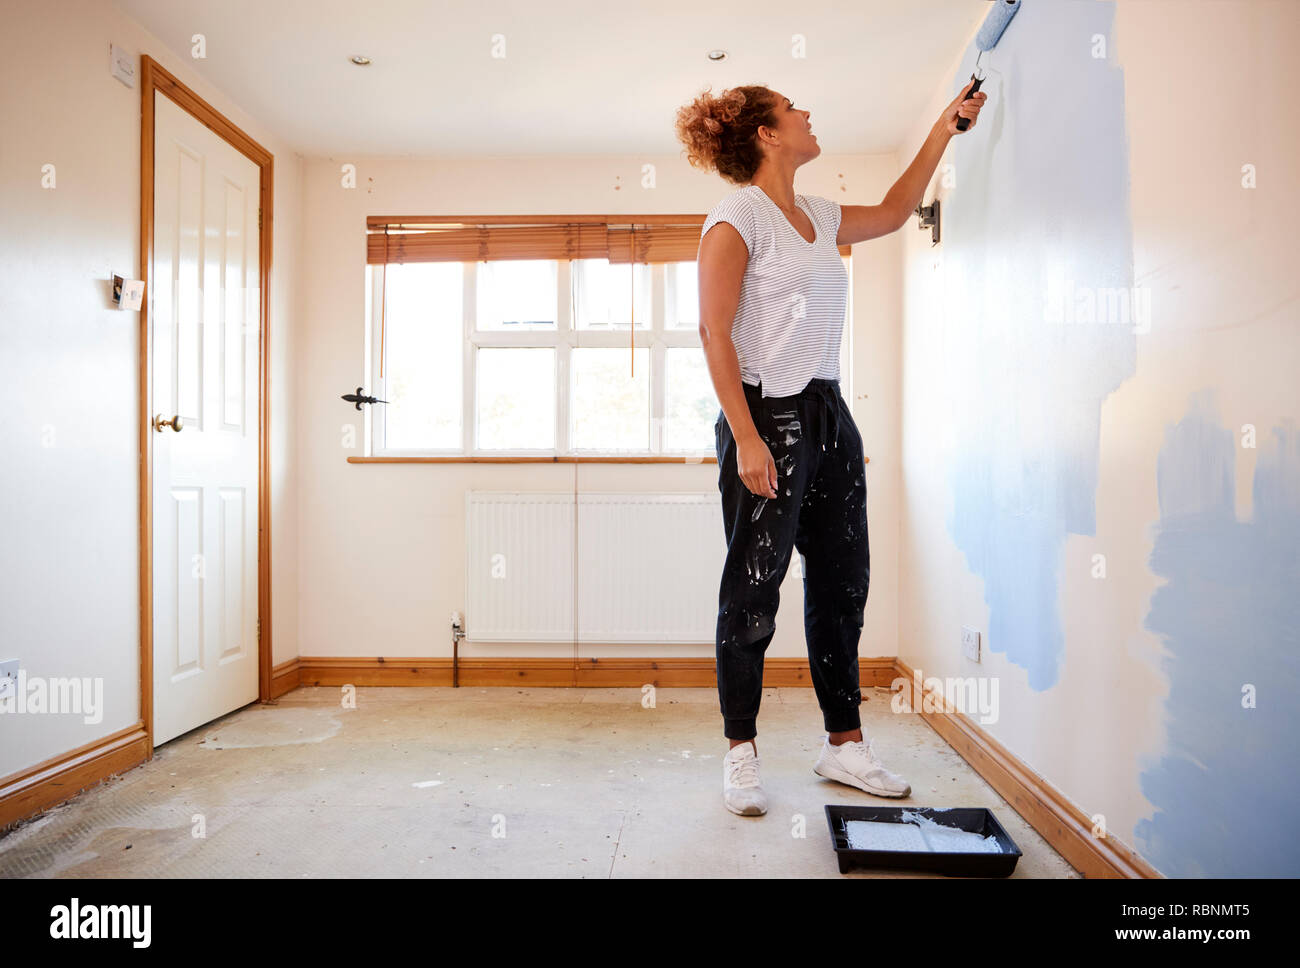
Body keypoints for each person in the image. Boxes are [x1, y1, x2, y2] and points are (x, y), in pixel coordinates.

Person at [674, 81, 985, 815]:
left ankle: (843, 746)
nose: (808, 112)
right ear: (765, 134)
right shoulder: (736, 218)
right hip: (763, 415)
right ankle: (741, 752)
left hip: (828, 411)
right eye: (792, 108)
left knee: (844, 580)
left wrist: (942, 129)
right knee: (754, 588)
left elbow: (896, 209)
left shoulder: (816, 213)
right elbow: (714, 333)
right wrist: (746, 435)